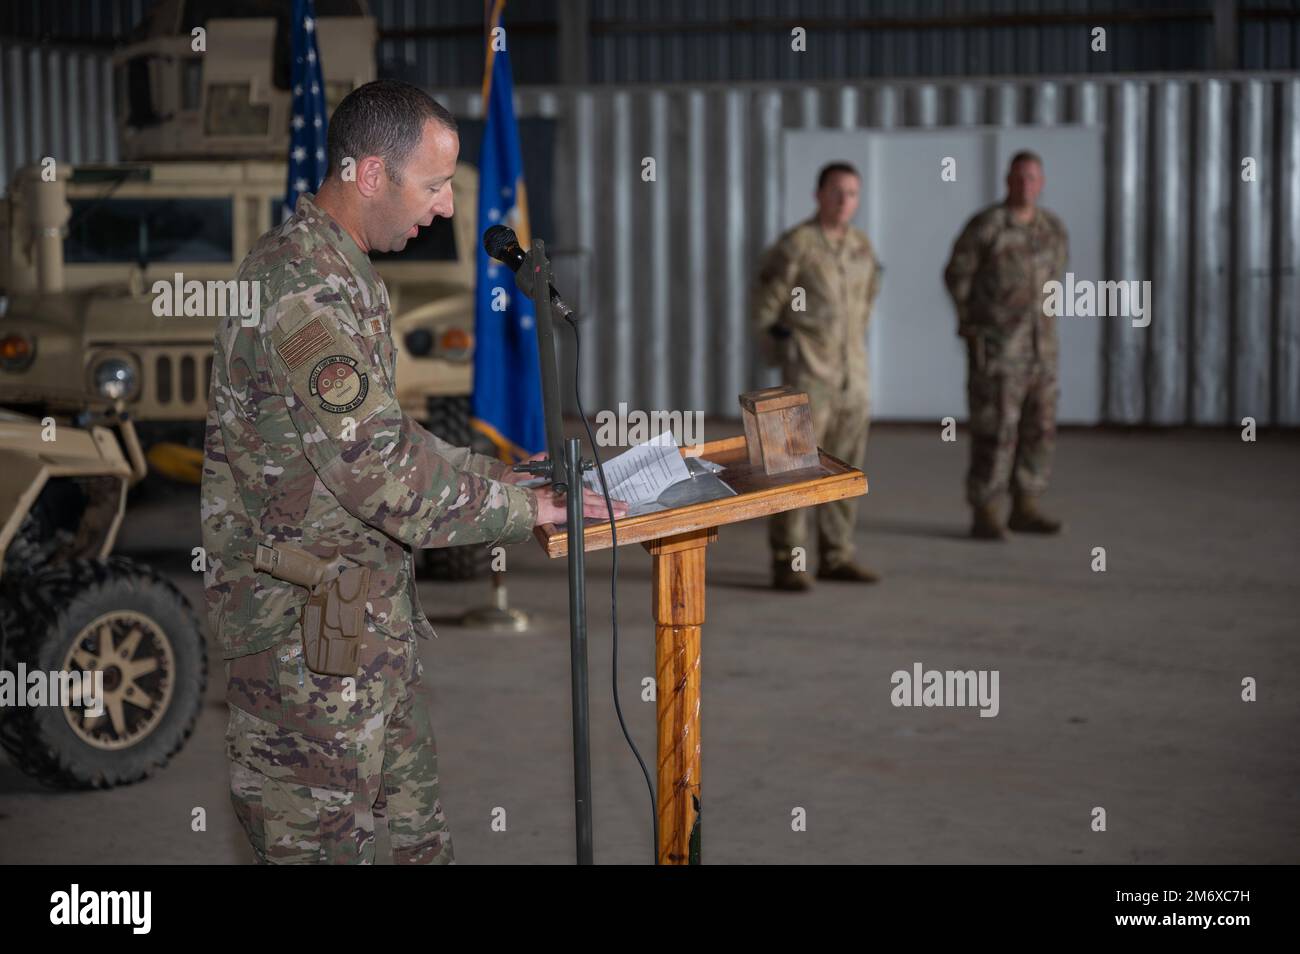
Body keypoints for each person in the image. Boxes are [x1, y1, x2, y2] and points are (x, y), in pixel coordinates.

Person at [200, 79, 620, 864]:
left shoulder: (344, 271)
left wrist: (505, 479)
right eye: (432, 186)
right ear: (368, 174)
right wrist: (520, 516)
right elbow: (378, 475)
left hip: (363, 634)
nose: (447, 208)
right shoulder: (300, 289)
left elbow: (389, 434)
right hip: (306, 661)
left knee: (414, 843)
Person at [752, 161, 883, 591]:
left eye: (853, 194)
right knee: (794, 470)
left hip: (851, 379)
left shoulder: (862, 247)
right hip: (808, 375)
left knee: (845, 470)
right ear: (819, 195)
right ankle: (788, 562)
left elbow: (865, 303)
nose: (846, 201)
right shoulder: (798, 245)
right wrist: (783, 354)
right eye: (837, 192)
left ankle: (837, 555)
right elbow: (765, 308)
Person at [943, 151, 1069, 540]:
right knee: (995, 429)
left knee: (1039, 428)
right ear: (1007, 180)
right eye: (1018, 178)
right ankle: (986, 509)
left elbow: (1056, 279)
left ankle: (1026, 505)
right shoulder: (988, 226)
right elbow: (957, 275)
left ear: (1042, 182)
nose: (1025, 185)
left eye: (1032, 178)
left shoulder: (1051, 229)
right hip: (998, 352)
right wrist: (974, 325)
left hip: (1041, 351)